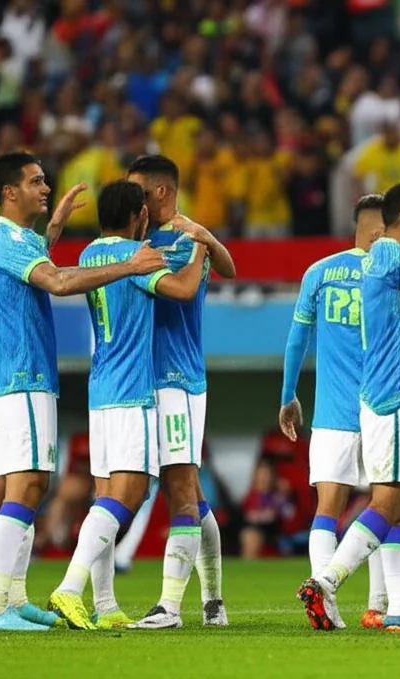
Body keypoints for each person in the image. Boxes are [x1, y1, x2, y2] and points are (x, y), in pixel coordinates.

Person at [0, 152, 164, 632]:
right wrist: (131, 266)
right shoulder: (5, 235)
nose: (46, 187)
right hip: (19, 376)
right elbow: (58, 282)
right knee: (22, 488)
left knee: (35, 486)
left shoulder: (19, 240)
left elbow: (35, 274)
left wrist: (53, 232)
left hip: (28, 376)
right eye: (36, 181)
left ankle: (15, 600)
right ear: (9, 192)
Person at [48, 180, 207, 630]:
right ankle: (69, 586)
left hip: (100, 388)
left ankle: (105, 604)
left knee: (105, 496)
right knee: (132, 492)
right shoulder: (138, 260)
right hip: (133, 390)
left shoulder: (88, 256)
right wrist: (199, 248)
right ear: (139, 215)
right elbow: (183, 291)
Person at [297, 182, 400, 633]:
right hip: (398, 394)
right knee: (392, 500)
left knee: (397, 501)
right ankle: (328, 580)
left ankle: (398, 606)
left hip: (379, 396)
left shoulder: (377, 258)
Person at [125, 155, 238, 629]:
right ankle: (213, 601)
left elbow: (228, 269)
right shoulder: (139, 237)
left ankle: (170, 606)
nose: (133, 201)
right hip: (145, 379)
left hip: (178, 378)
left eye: (138, 191)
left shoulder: (188, 234)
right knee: (188, 489)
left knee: (178, 490)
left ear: (161, 193)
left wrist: (208, 239)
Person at [279, 193, 389, 629]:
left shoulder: (320, 272)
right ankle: (382, 603)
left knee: (328, 506)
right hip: (383, 407)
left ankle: (327, 603)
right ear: (380, 229)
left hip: (331, 413)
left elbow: (296, 339)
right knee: (389, 502)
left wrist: (289, 395)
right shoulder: (392, 269)